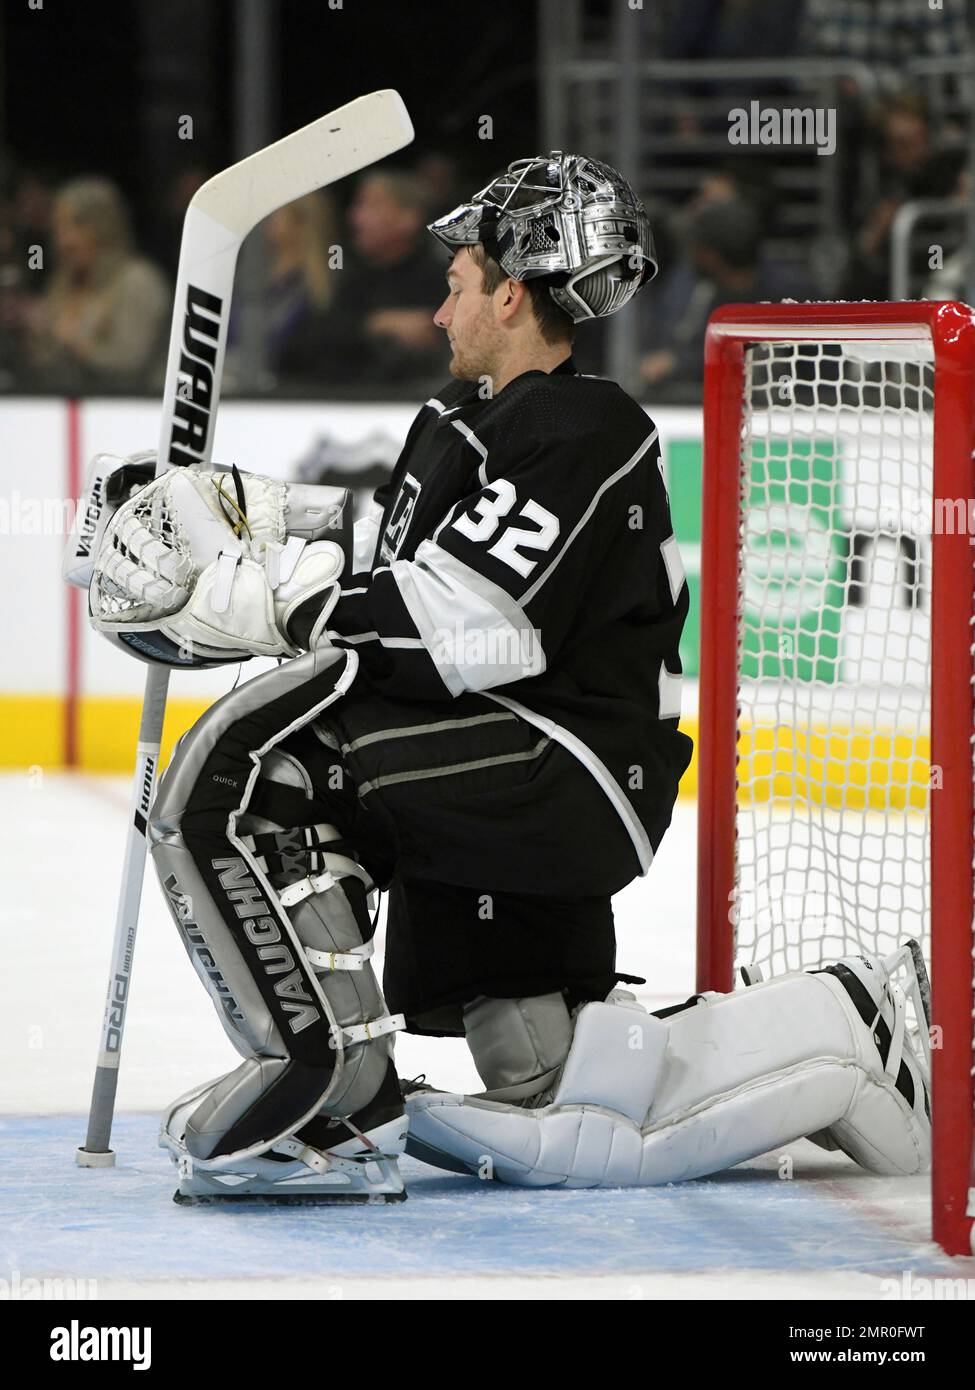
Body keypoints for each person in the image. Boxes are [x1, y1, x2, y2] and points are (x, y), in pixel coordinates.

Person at [86, 153, 930, 1201]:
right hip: (507, 757)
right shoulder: (469, 423)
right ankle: (846, 1021)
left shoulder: (580, 429)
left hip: (562, 772)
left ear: (513, 294)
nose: (441, 309)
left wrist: (257, 598)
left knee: (262, 771)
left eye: (458, 282)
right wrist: (244, 513)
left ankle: (327, 1093)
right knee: (544, 1071)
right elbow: (395, 556)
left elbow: (467, 626)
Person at [24, 177, 169, 393]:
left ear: (103, 226)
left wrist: (66, 339)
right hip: (60, 408)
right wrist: (31, 332)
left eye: (75, 226)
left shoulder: (137, 281)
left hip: (133, 412)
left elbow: (130, 363)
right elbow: (46, 366)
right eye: (59, 227)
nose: (63, 241)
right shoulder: (63, 284)